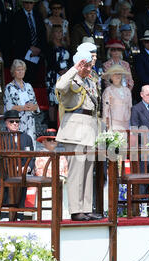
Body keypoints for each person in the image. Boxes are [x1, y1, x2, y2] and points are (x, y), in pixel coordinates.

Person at [55, 50, 103, 222]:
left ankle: (86, 208)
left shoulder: (89, 81)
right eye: (86, 65)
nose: (90, 69)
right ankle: (76, 210)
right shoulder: (71, 78)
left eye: (90, 66)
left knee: (89, 171)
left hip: (90, 128)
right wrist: (74, 69)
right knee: (76, 172)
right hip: (74, 130)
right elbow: (60, 87)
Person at [0, 110, 35, 221]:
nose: (15, 123)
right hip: (5, 177)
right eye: (12, 121)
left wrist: (28, 167)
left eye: (17, 121)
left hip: (22, 177)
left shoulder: (26, 138)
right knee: (6, 212)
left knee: (20, 210)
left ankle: (20, 225)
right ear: (6, 123)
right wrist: (15, 169)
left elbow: (32, 157)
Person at [4, 59, 40, 148]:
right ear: (13, 72)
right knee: (18, 147)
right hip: (16, 123)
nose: (21, 72)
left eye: (22, 69)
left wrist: (32, 107)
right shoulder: (9, 87)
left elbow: (36, 106)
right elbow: (8, 108)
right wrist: (23, 107)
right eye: (18, 70)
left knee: (31, 147)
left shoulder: (28, 86)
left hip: (30, 123)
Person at [12, 0, 48, 85]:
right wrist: (29, 47)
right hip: (23, 53)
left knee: (36, 80)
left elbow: (42, 33)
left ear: (34, 4)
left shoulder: (37, 15)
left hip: (37, 54)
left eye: (31, 3)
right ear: (22, 3)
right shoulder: (17, 15)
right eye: (26, 2)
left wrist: (39, 49)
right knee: (24, 78)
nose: (28, 5)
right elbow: (15, 35)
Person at [45, 24, 72, 128]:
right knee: (53, 101)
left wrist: (67, 70)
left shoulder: (65, 46)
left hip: (65, 74)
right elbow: (50, 62)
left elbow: (69, 60)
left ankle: (64, 124)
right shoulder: (50, 46)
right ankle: (52, 126)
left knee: (64, 99)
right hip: (53, 75)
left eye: (61, 32)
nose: (59, 34)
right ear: (53, 34)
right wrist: (59, 70)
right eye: (57, 32)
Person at [102, 64, 132, 131]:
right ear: (111, 77)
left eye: (119, 74)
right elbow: (105, 109)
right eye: (115, 74)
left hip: (125, 123)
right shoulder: (108, 90)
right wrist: (105, 124)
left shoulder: (127, 90)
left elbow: (130, 107)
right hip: (113, 123)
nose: (117, 76)